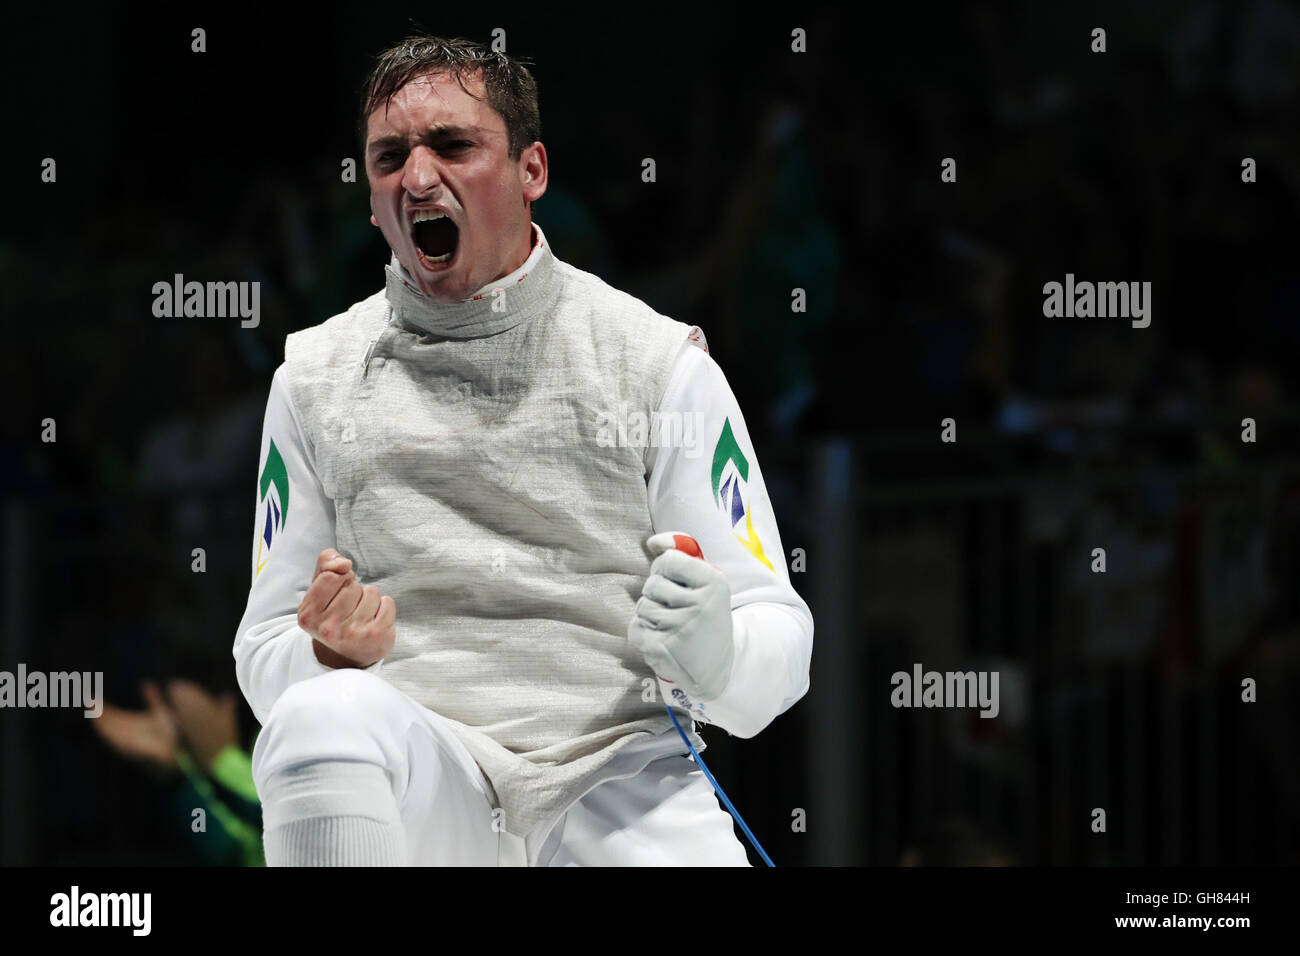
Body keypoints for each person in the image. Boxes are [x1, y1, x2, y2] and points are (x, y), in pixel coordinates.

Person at [233, 34, 813, 866]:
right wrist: (322, 654)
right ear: (369, 197)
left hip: (622, 784)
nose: (419, 178)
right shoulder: (314, 380)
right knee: (317, 718)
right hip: (431, 785)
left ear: (531, 171)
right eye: (390, 156)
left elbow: (778, 644)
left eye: (453, 146)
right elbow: (263, 656)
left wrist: (719, 654)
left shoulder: (653, 363)